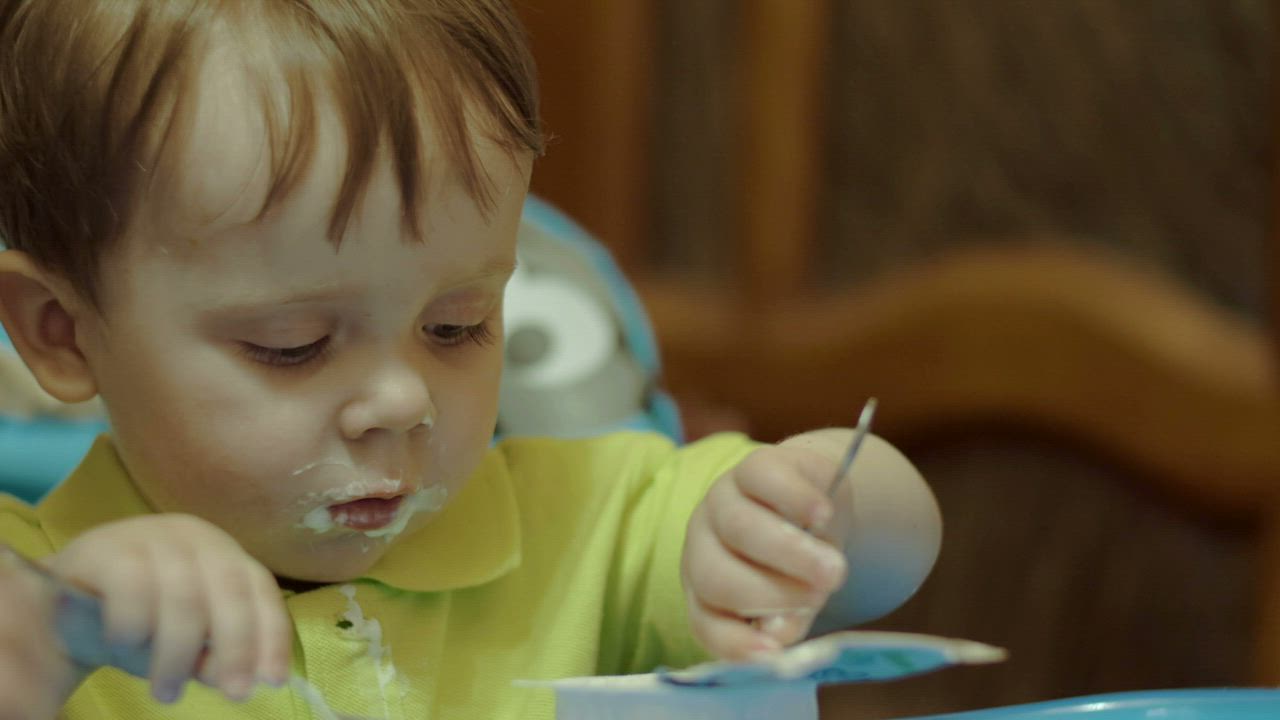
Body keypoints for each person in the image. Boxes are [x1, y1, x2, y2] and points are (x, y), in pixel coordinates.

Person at [0, 1, 942, 718]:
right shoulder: (33, 586)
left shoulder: (586, 528)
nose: (403, 398)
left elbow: (887, 562)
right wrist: (53, 637)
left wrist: (826, 510)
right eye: (294, 346)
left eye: (456, 327)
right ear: (60, 332)